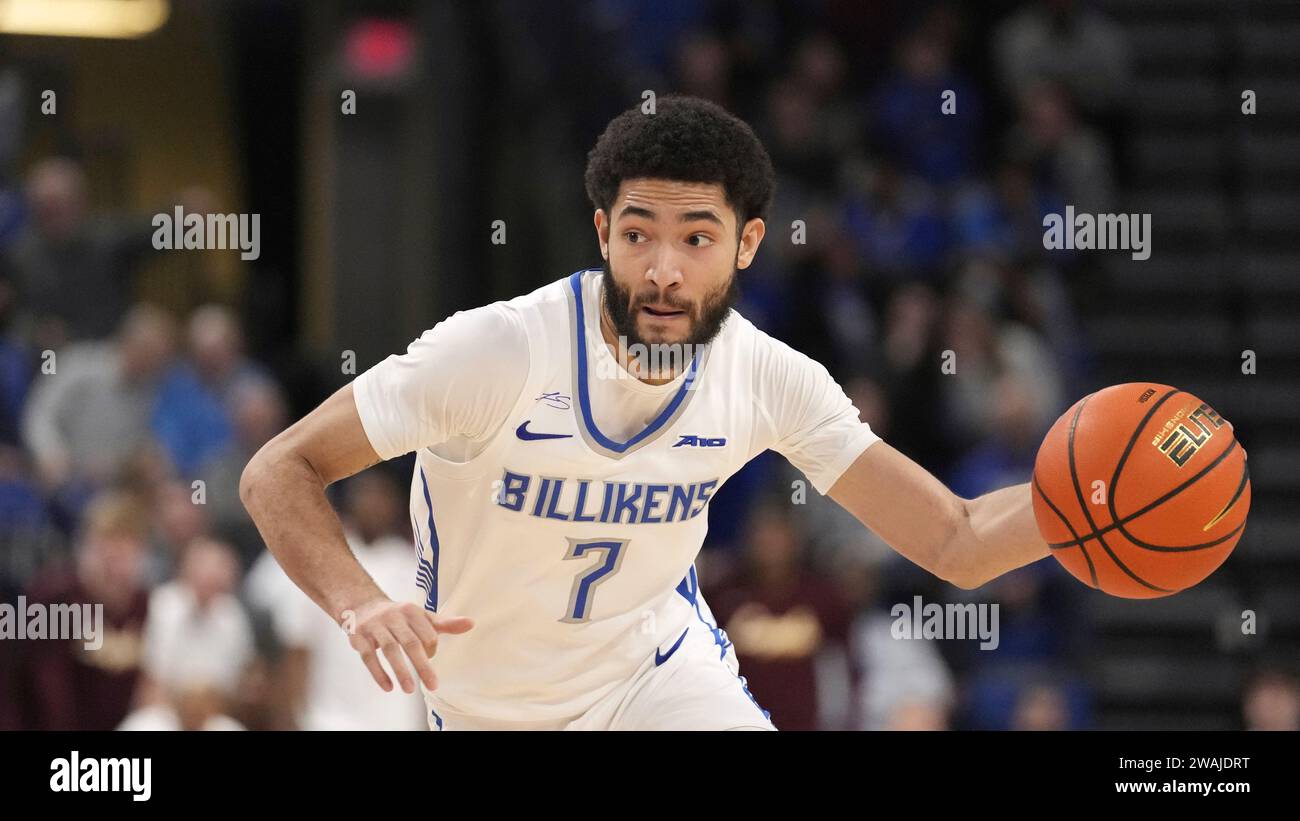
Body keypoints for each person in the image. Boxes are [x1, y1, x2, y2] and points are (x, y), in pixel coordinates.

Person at [240, 95, 1050, 731]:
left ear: (747, 243)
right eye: (638, 235)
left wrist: (1091, 504)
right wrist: (358, 599)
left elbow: (955, 539)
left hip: (656, 679)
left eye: (697, 238)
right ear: (603, 232)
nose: (663, 270)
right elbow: (277, 468)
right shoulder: (496, 352)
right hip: (488, 708)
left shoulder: (765, 376)